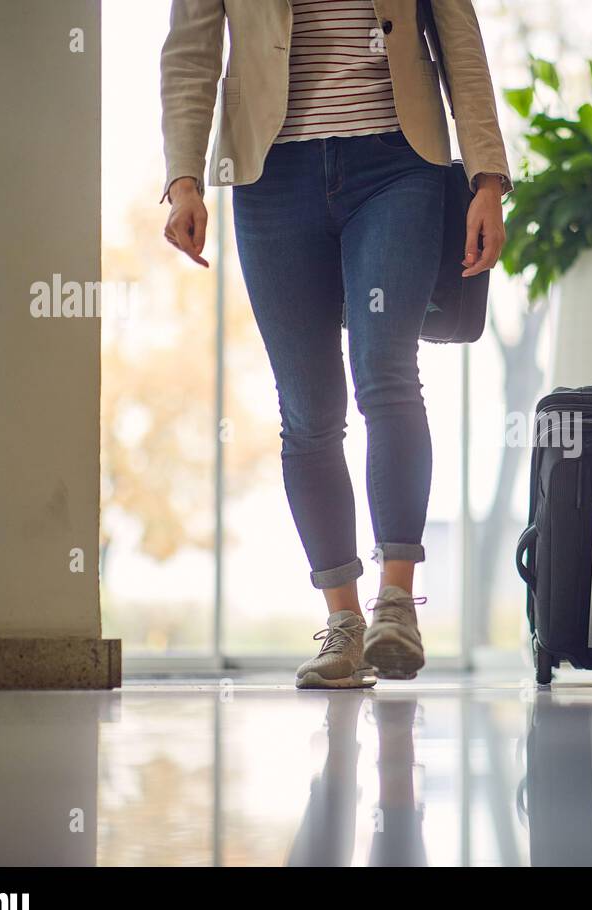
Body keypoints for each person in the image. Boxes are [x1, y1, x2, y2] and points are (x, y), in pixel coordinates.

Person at [160, 0, 511, 687]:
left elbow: (460, 40)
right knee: (308, 407)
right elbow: (191, 50)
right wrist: (183, 180)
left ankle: (396, 603)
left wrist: (488, 181)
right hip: (271, 175)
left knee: (386, 370)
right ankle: (343, 622)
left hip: (396, 163)